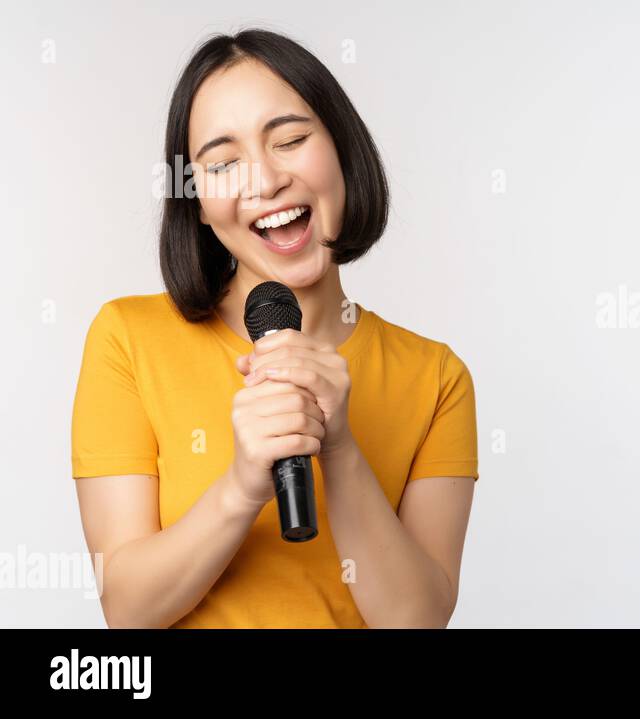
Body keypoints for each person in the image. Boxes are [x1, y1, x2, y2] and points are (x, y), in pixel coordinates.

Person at [70, 29, 478, 628]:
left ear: (342, 148)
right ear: (198, 203)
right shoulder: (127, 340)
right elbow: (128, 611)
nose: (264, 181)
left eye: (288, 139)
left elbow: (416, 621)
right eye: (223, 163)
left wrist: (337, 446)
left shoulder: (437, 377)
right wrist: (240, 488)